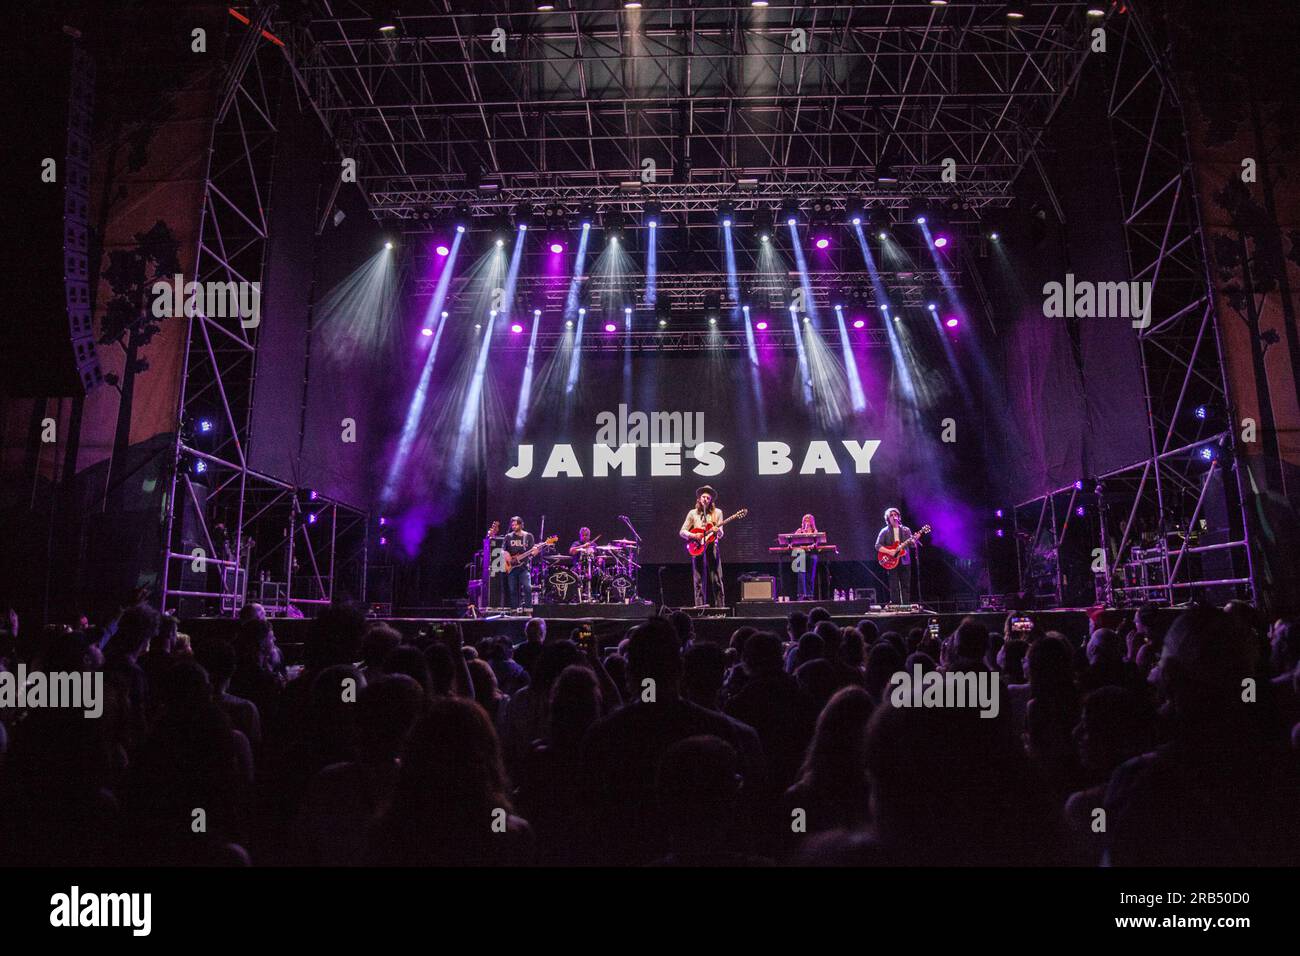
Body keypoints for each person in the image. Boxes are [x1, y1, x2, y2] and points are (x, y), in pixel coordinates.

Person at [679, 485, 726, 608]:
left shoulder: (718, 513)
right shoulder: (692, 513)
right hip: (698, 547)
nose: (705, 499)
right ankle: (700, 609)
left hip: (712, 546)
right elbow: (682, 531)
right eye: (703, 497)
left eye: (708, 498)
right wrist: (694, 536)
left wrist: (717, 531)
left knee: (716, 578)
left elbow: (721, 533)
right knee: (698, 580)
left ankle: (720, 609)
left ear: (711, 501)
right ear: (699, 499)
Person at [874, 507, 918, 606]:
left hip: (905, 560)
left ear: (899, 517)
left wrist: (914, 540)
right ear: (888, 519)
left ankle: (906, 604)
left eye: (896, 515)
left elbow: (911, 545)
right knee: (894, 584)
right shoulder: (884, 531)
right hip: (892, 561)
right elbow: (877, 546)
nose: (894, 517)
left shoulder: (906, 530)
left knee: (906, 584)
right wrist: (890, 551)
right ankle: (895, 604)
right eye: (891, 515)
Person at [502, 516, 535, 610]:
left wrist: (535, 552)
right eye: (512, 525)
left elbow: (532, 551)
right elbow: (503, 550)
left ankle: (528, 610)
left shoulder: (528, 536)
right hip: (511, 568)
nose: (513, 526)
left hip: (524, 567)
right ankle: (515, 610)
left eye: (515, 524)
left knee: (527, 588)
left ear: (521, 525)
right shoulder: (508, 537)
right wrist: (508, 557)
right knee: (513, 590)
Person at [792, 513, 820, 600]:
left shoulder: (815, 531)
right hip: (801, 554)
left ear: (812, 522)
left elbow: (817, 542)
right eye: (805, 520)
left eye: (808, 520)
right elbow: (792, 541)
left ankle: (810, 595)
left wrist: (811, 546)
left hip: (811, 554)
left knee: (810, 575)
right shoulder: (799, 530)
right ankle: (801, 595)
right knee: (801, 575)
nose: (806, 521)